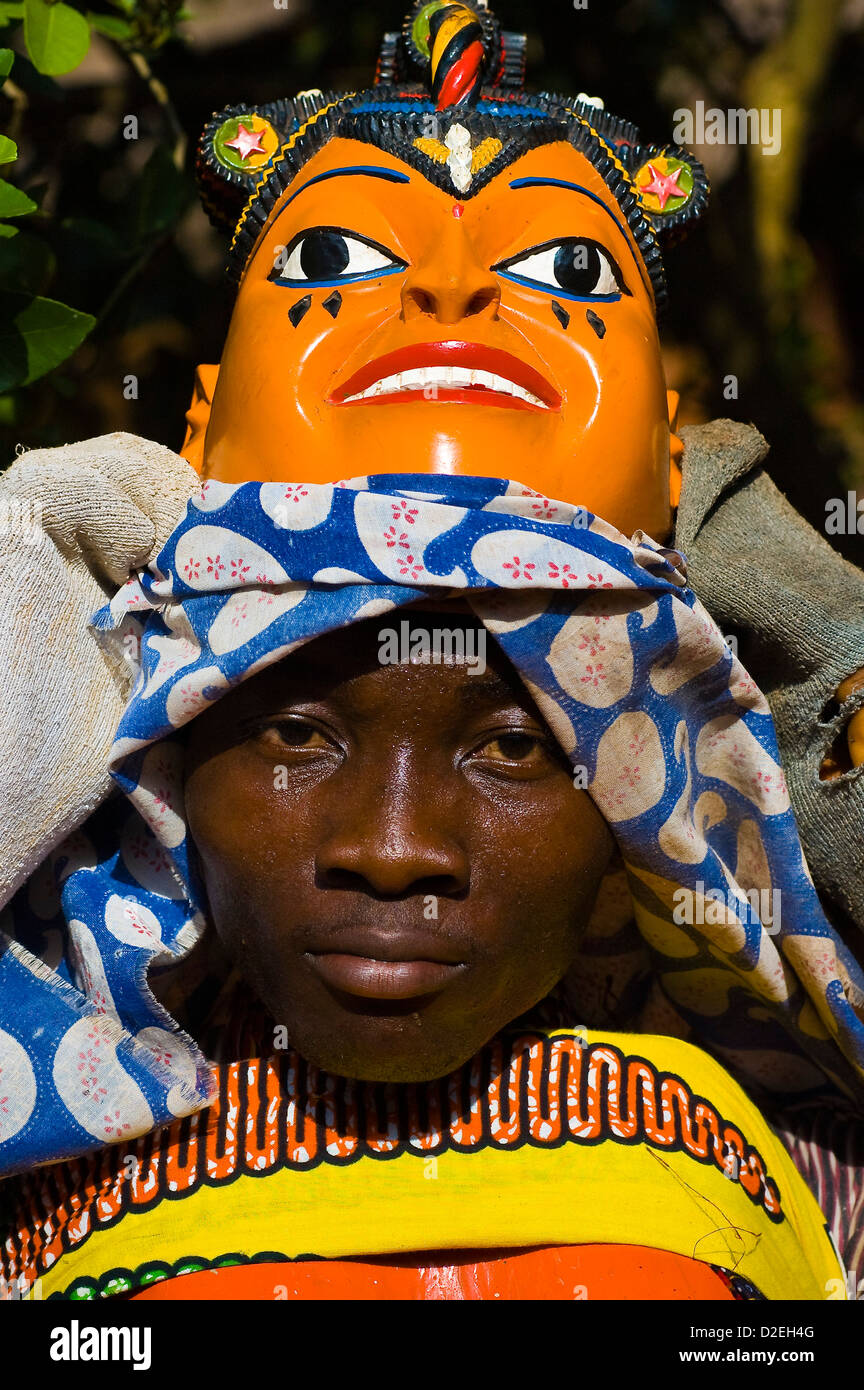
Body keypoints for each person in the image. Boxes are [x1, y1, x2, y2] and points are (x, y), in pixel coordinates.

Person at [1, 0, 862, 1300]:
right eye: (337, 255)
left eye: (566, 275)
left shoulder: (749, 1138)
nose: (451, 292)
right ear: (199, 436)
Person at [0, 469, 859, 1300]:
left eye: (514, 749)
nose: (393, 848)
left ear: (625, 829)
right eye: (297, 735)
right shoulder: (49, 1189)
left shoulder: (786, 1166)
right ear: (170, 791)